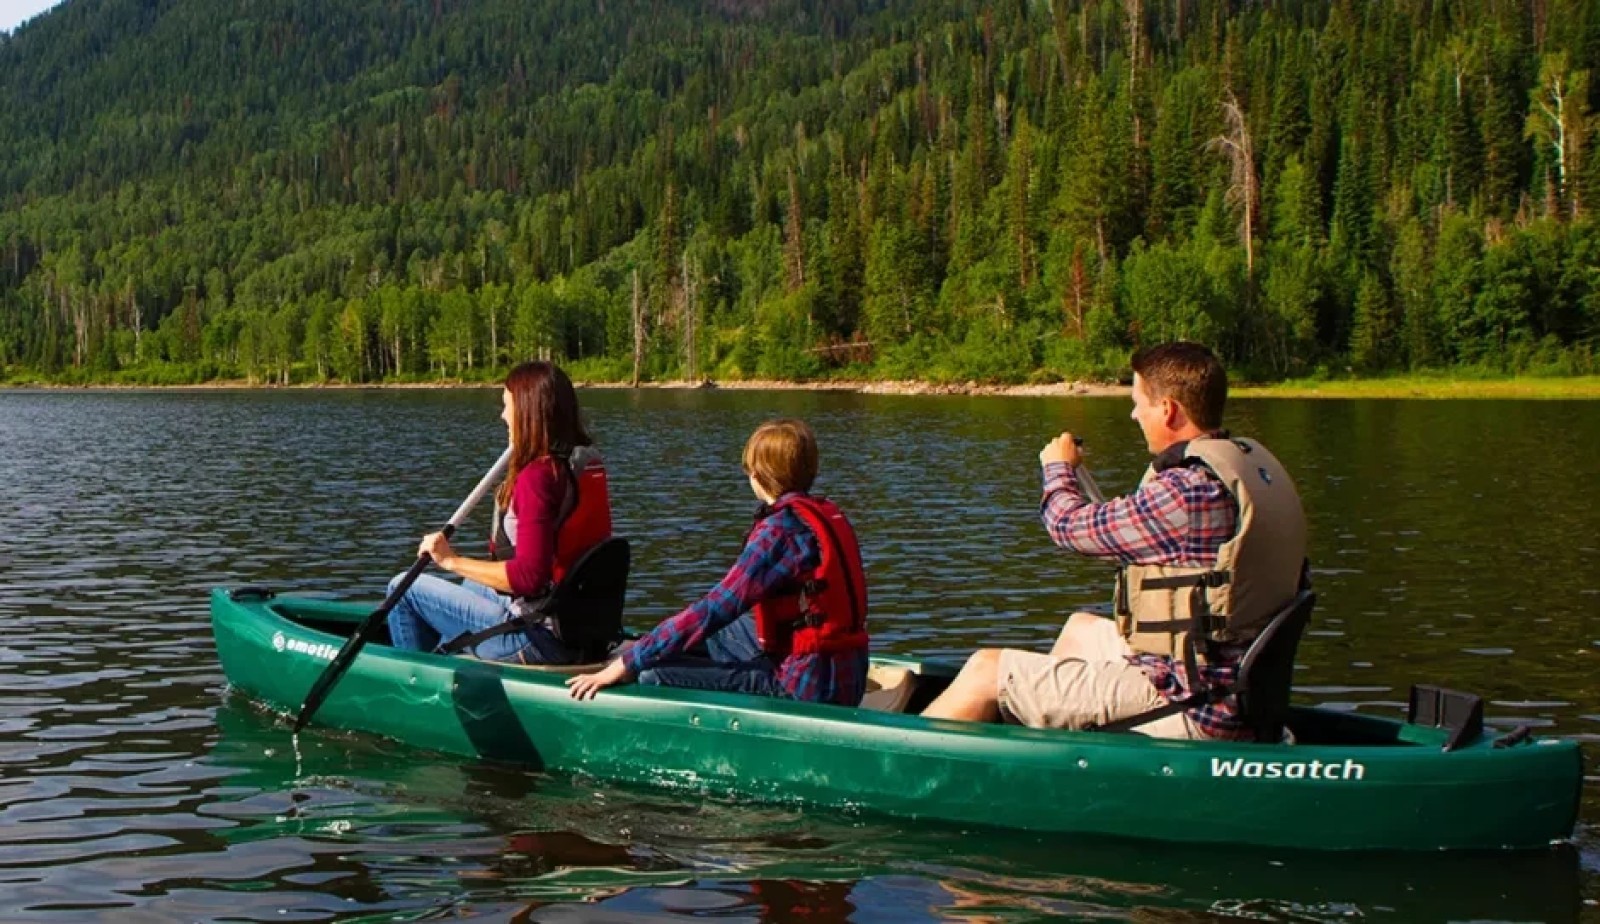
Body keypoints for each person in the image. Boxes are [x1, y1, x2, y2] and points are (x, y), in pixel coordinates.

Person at [921, 341, 1307, 740]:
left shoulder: (1187, 492)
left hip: (1195, 702)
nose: (1134, 413)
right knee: (1081, 628)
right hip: (1231, 683)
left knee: (987, 670)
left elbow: (1066, 526)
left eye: (1139, 402)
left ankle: (908, 761)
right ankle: (1049, 754)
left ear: (1168, 409)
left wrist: (1057, 468)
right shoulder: (1244, 471)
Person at [566, 418, 868, 706]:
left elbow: (715, 607)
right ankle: (647, 649)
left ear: (758, 475)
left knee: (651, 674)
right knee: (718, 636)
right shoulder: (822, 516)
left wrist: (629, 661)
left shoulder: (779, 532)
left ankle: (636, 661)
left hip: (804, 688)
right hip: (847, 673)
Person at [385, 360, 613, 664]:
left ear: (528, 411)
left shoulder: (539, 478)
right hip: (579, 628)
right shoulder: (581, 463)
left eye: (507, 406)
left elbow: (529, 578)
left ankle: (416, 685)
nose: (502, 416)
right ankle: (449, 657)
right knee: (472, 585)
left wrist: (450, 560)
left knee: (403, 588)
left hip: (536, 638)